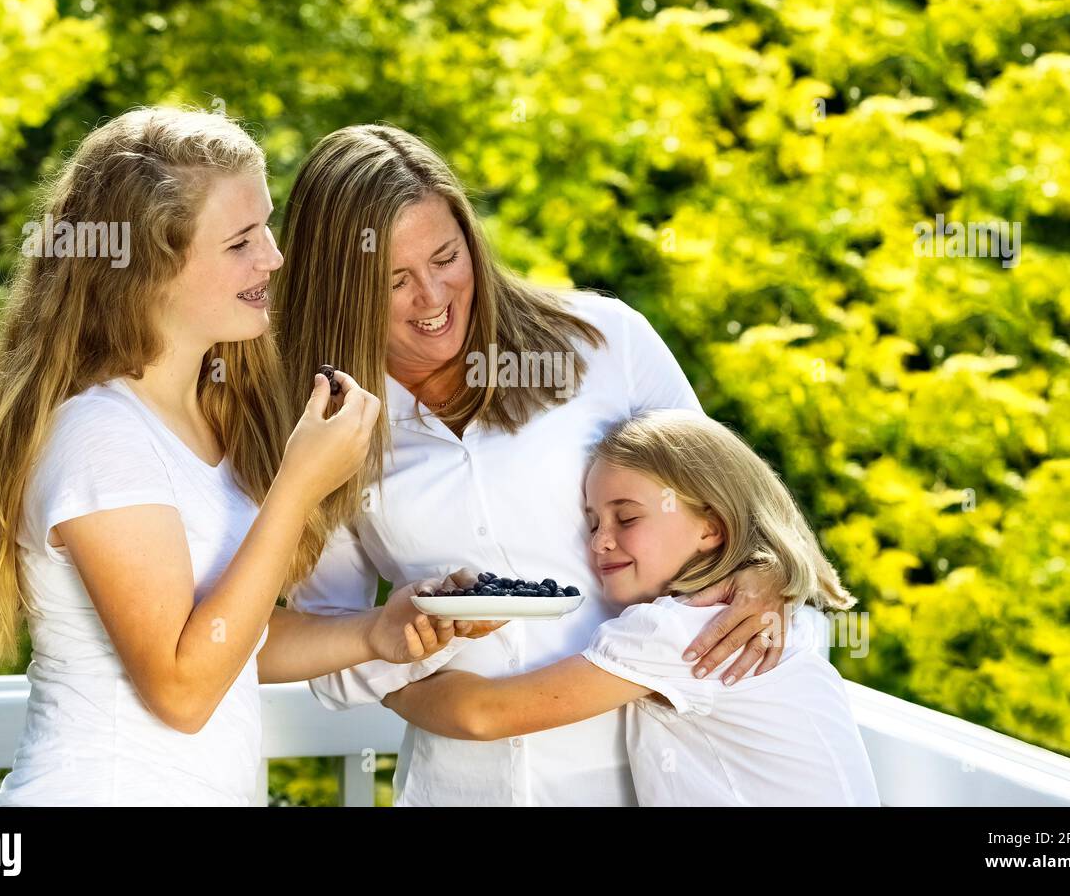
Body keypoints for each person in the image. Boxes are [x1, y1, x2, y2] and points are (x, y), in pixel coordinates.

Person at [0, 108, 457, 806]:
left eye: (266, 227)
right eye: (241, 241)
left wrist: (376, 631)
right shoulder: (101, 436)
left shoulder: (206, 415)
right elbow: (181, 688)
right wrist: (297, 488)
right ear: (150, 269)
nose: (272, 257)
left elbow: (225, 643)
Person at [271, 124, 791, 805]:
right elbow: (331, 657)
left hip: (649, 781)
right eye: (395, 280)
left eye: (446, 257)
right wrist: (410, 636)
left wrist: (765, 574)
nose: (432, 297)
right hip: (460, 788)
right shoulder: (330, 425)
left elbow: (737, 517)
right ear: (341, 289)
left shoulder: (607, 342)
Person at [384, 409, 880, 806]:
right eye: (594, 521)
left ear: (712, 527)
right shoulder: (775, 616)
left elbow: (482, 716)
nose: (601, 542)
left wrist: (383, 682)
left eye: (627, 518)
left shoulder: (677, 630)